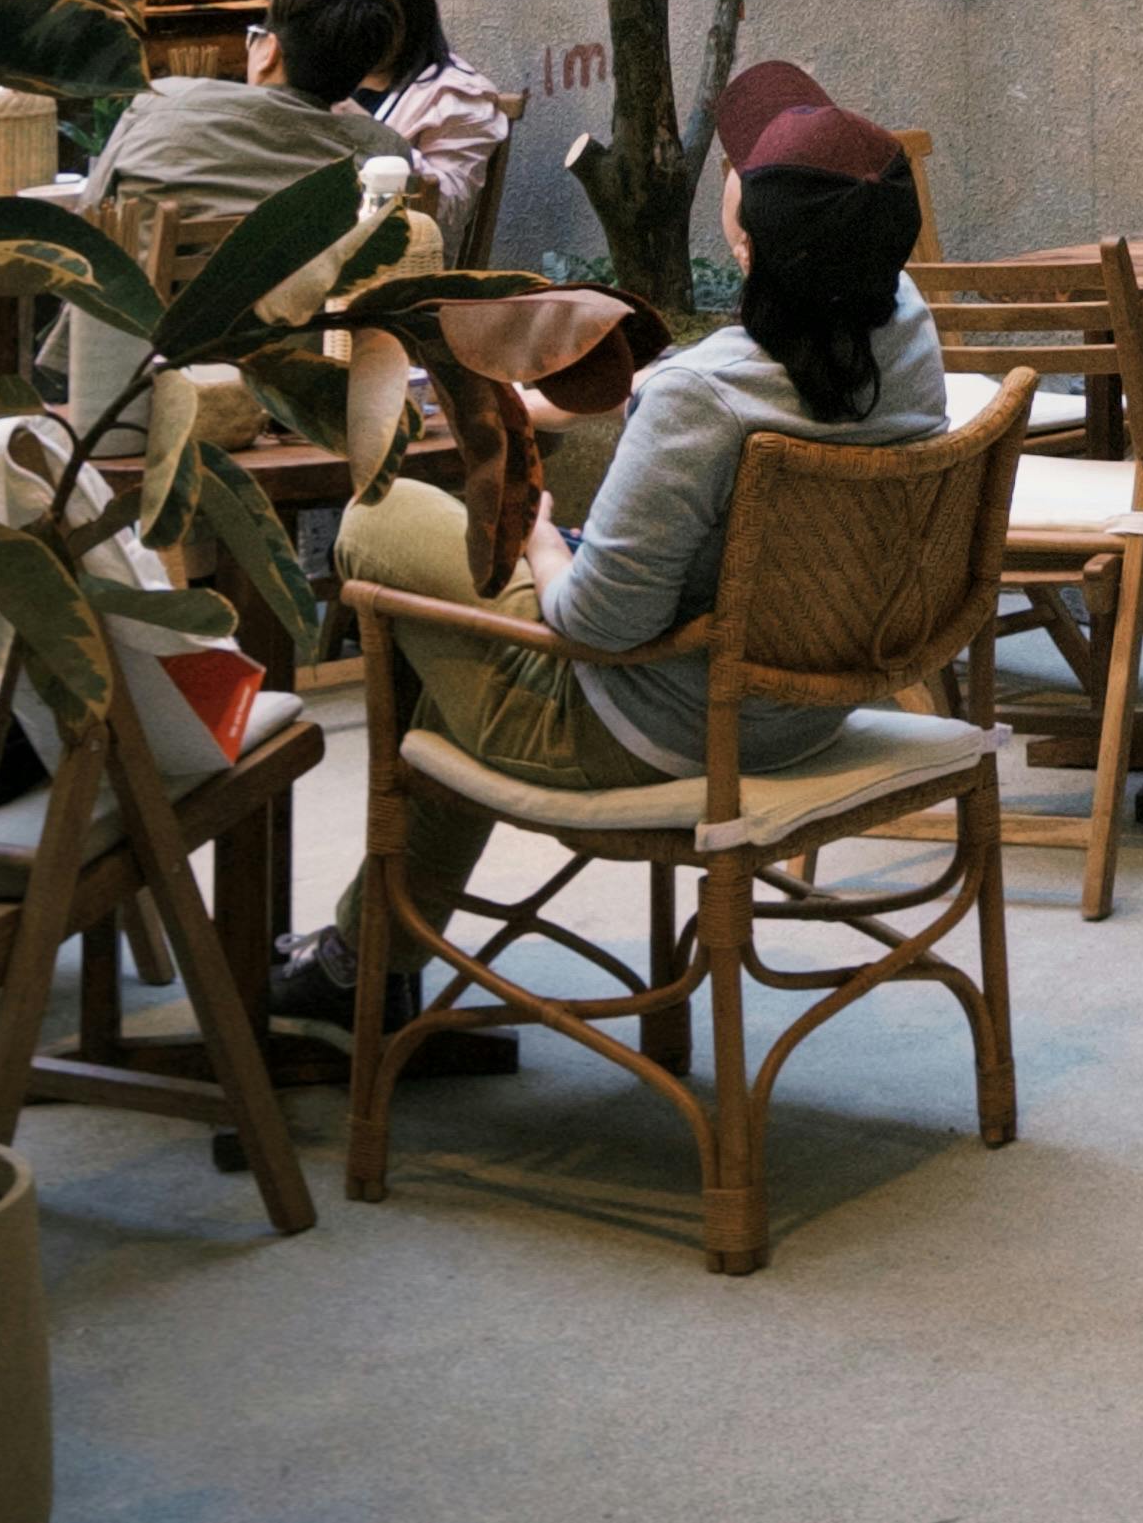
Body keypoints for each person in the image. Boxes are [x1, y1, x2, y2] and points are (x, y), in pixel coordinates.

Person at [273, 67, 946, 1029]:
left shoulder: (703, 402)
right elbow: (734, 369)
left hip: (647, 735)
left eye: (747, 171)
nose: (737, 162)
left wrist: (541, 533)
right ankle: (360, 958)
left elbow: (596, 620)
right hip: (806, 705)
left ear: (749, 247)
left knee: (379, 518)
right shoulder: (906, 328)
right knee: (452, 626)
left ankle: (365, 959)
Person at [67, 0, 409, 449]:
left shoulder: (161, 104)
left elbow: (95, 224)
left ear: (268, 49)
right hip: (299, 403)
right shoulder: (382, 153)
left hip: (140, 398)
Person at [325, 0, 516, 251]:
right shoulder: (327, 75)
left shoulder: (457, 97)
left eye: (364, 8)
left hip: (392, 280)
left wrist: (361, 129)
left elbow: (442, 213)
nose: (349, 22)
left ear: (406, 9)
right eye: (335, 6)